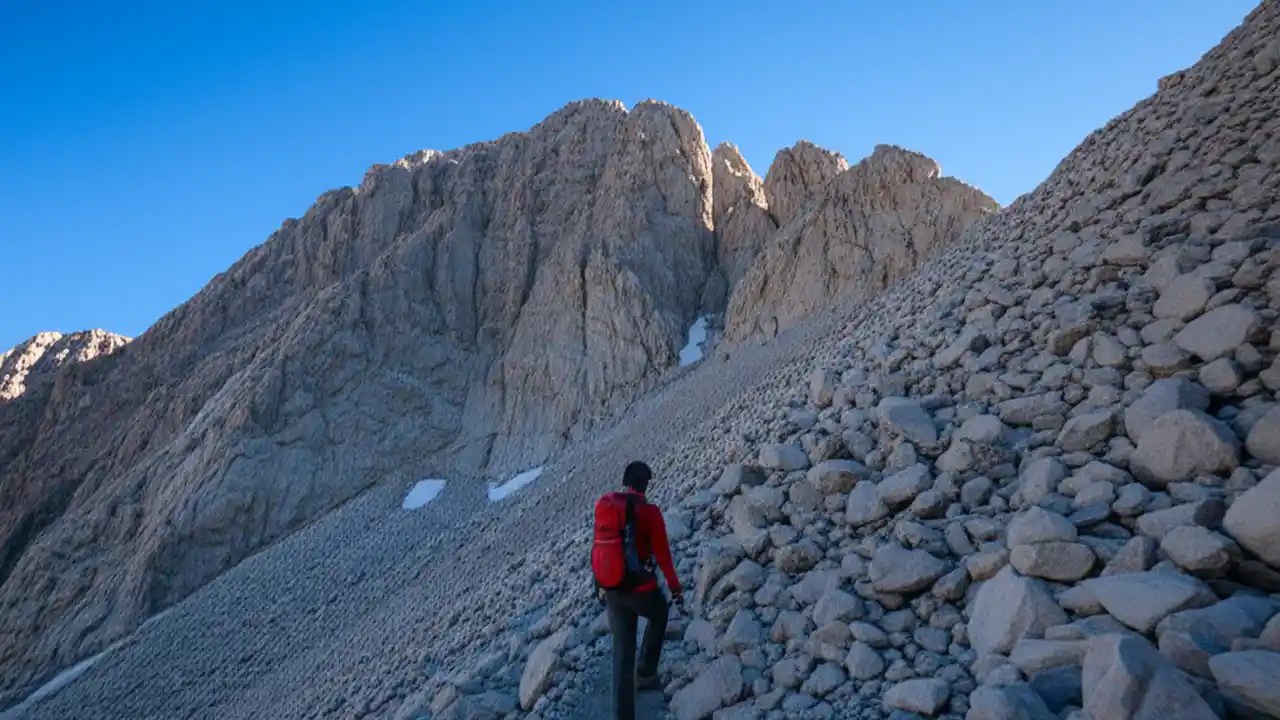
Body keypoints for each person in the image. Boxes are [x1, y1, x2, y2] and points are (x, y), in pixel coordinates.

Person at [592, 461, 684, 720]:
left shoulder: (609, 508)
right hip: (641, 590)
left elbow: (599, 549)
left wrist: (598, 585)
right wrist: (675, 589)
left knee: (622, 650)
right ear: (646, 484)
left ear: (626, 482)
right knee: (659, 613)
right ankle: (645, 672)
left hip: (612, 590)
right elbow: (663, 557)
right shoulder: (649, 512)